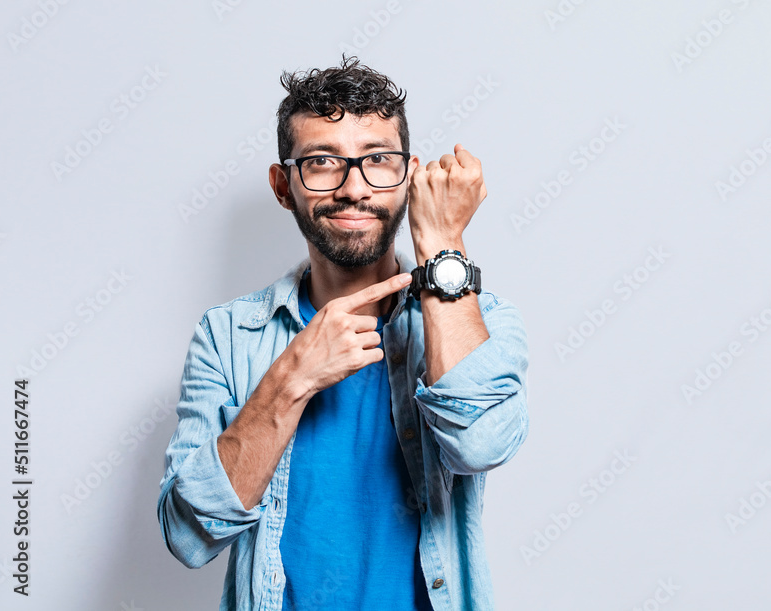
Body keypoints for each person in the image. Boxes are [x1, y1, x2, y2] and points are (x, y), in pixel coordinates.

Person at [156, 55, 529, 611]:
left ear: (410, 177)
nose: (354, 188)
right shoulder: (229, 335)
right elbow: (188, 536)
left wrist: (442, 245)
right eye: (323, 162)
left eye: (378, 160)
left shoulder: (478, 316)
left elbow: (481, 445)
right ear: (284, 186)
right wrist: (289, 381)